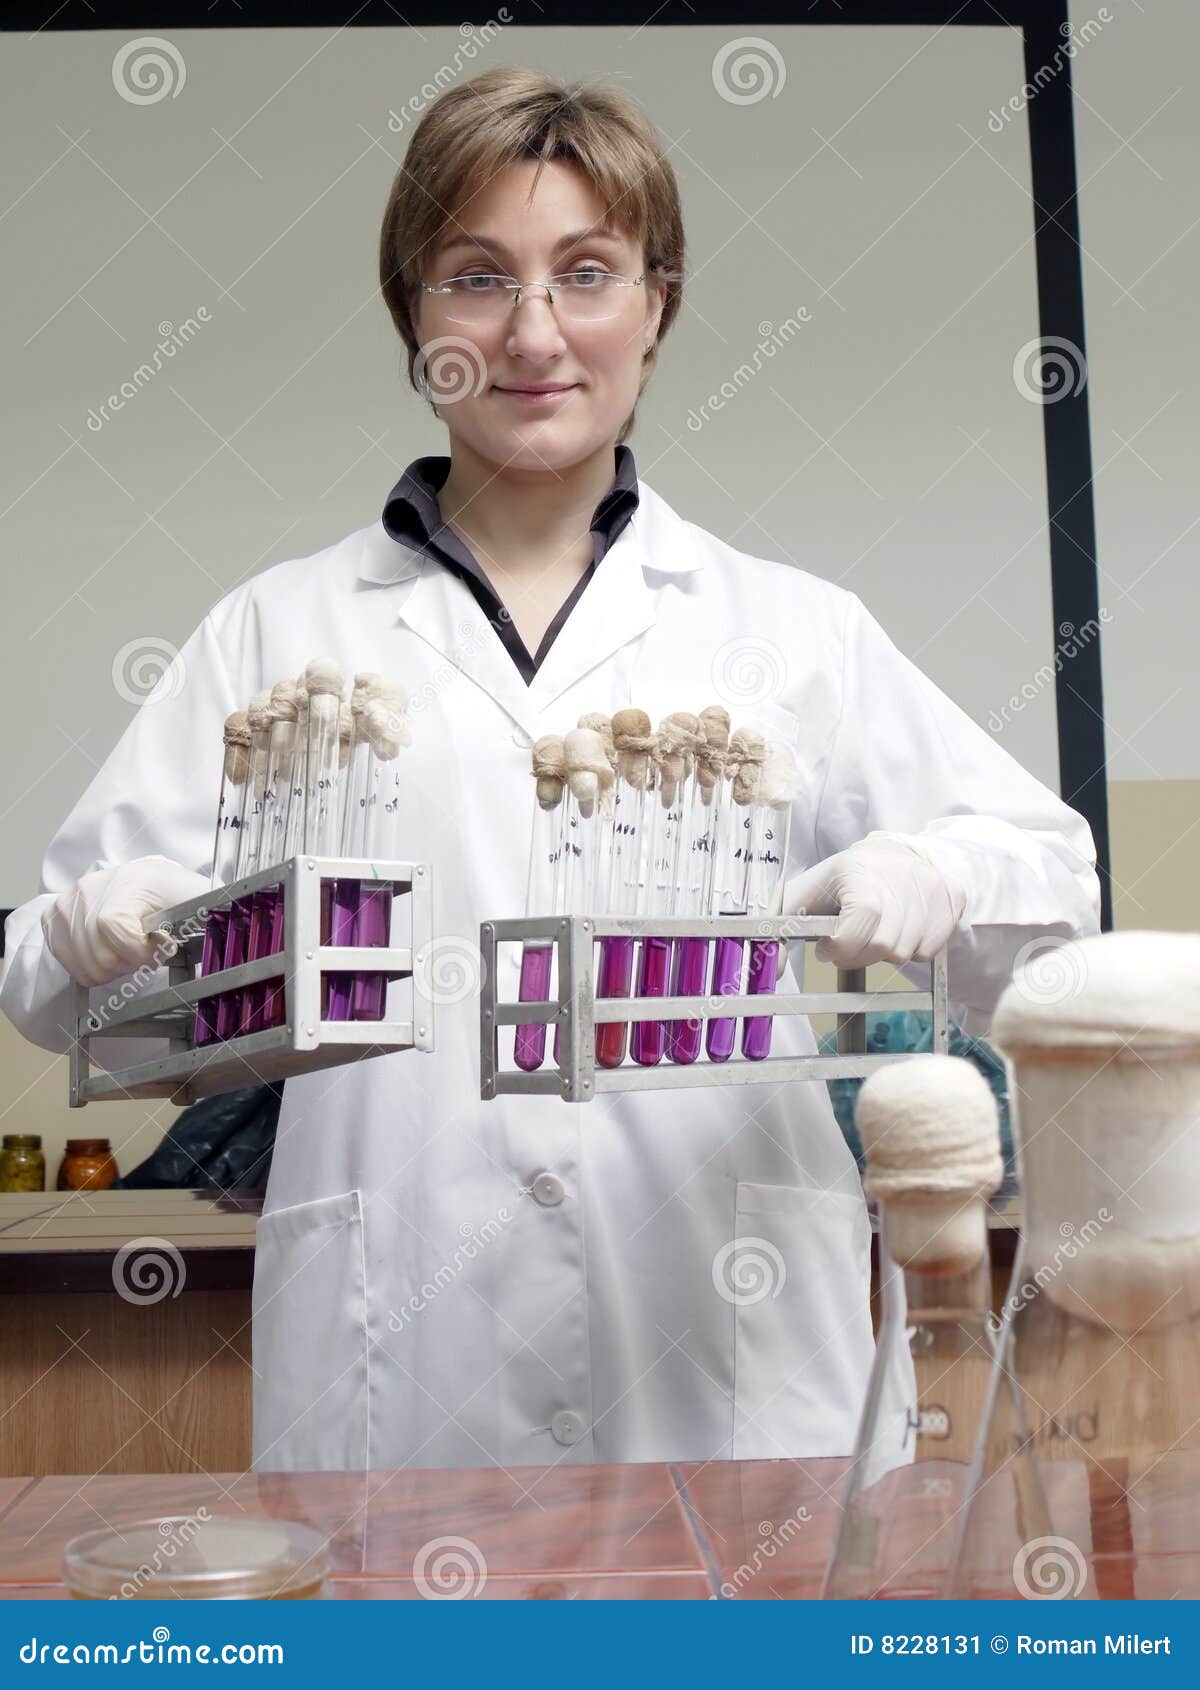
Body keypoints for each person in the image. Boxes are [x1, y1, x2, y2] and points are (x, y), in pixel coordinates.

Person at [1, 67, 1100, 1474]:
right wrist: (113, 936)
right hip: (401, 1376)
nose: (534, 331)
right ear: (415, 314)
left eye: (587, 272)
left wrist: (939, 868)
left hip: (732, 1370)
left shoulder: (790, 631)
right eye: (477, 276)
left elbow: (1056, 897)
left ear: (658, 305)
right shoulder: (275, 633)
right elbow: (48, 981)